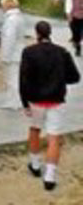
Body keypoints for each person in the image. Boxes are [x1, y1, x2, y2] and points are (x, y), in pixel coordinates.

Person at [20, 20, 81, 192]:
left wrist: (25, 102)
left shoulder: (29, 52)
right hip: (56, 99)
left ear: (37, 33)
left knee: (35, 130)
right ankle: (50, 176)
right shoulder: (62, 52)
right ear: (50, 32)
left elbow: (24, 80)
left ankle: (35, 164)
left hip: (36, 99)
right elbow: (75, 77)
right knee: (54, 137)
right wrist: (60, 79)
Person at [0, 0, 25, 109]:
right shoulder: (19, 18)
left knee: (11, 79)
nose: (1, 8)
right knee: (15, 78)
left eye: (2, 5)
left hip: (12, 54)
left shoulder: (11, 20)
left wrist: (5, 56)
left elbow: (9, 38)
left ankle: (14, 102)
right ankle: (15, 101)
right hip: (18, 52)